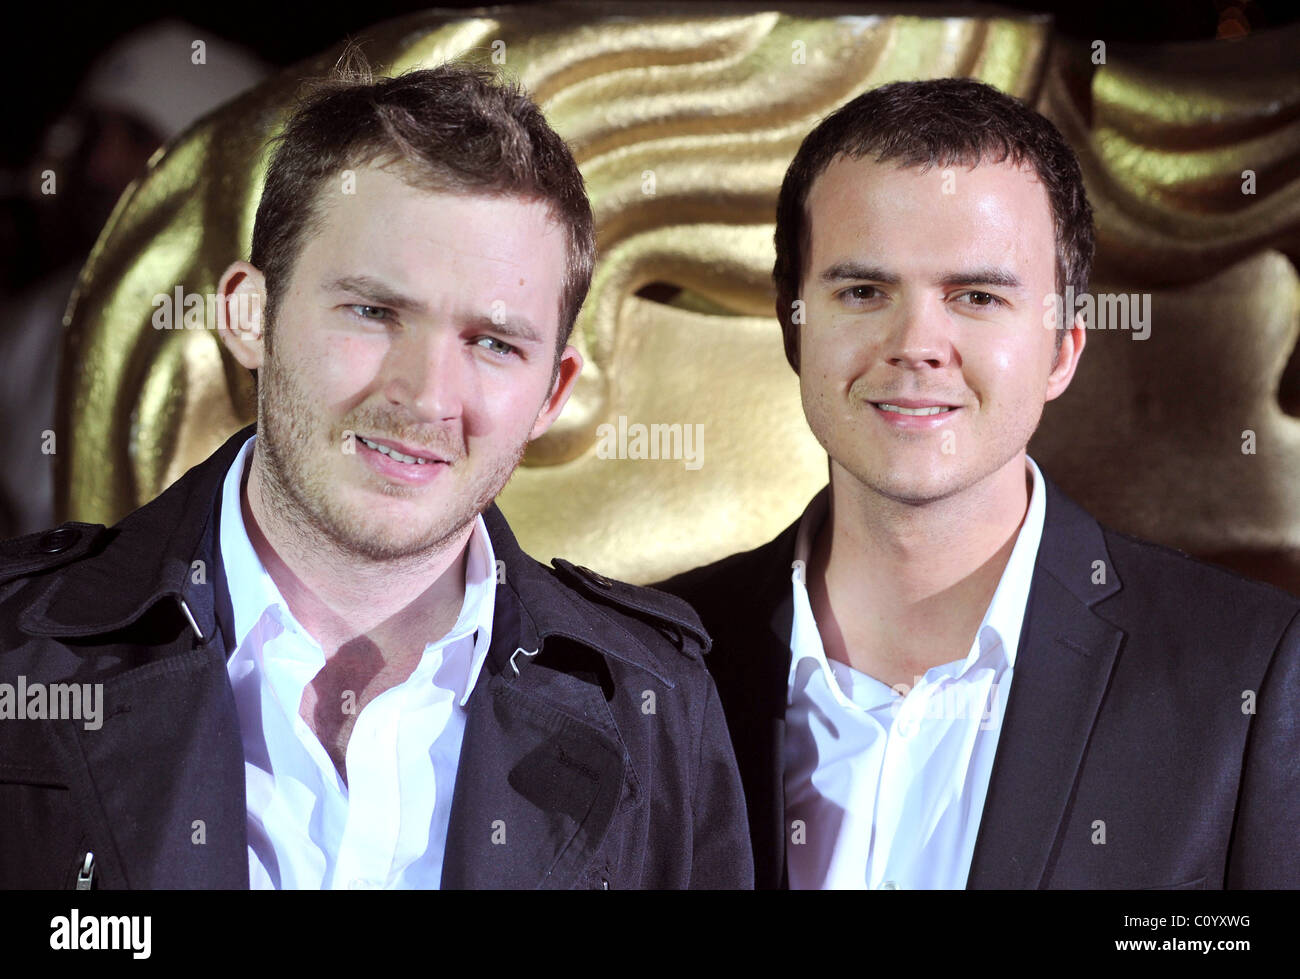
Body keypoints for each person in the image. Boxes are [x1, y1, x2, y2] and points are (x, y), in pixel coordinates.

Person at [0, 58, 752, 890]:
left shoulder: (657, 709)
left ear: (553, 394)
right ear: (250, 314)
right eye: (373, 310)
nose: (425, 395)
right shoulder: (18, 654)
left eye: (494, 343)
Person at [659, 78, 1300, 890]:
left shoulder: (1248, 670)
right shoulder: (658, 655)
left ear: (1063, 349)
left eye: (976, 295)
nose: (918, 344)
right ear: (793, 324)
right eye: (863, 291)